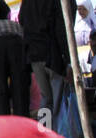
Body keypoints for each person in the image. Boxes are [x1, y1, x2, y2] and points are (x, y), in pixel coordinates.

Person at [20, 0, 70, 130]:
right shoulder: (53, 2)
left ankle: (44, 134)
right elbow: (60, 29)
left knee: (46, 98)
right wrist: (67, 57)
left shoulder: (26, 3)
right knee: (57, 99)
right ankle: (59, 135)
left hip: (35, 55)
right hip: (52, 54)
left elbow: (22, 22)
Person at [0, 0, 31, 117]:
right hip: (17, 46)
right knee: (19, 86)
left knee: (0, 88)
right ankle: (22, 118)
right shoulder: (16, 26)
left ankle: (3, 119)